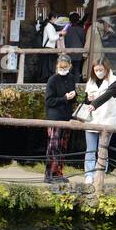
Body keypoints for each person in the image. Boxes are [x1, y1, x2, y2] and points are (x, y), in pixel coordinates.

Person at [77, 57, 116, 187]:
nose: (98, 72)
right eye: (96, 70)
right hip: (92, 119)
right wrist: (89, 100)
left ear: (106, 68)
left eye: (101, 69)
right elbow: (86, 101)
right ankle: (89, 175)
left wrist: (94, 103)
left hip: (107, 120)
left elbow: (108, 95)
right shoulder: (91, 82)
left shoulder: (115, 81)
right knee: (90, 149)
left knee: (102, 149)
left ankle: (100, 174)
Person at [43, 53, 79, 185]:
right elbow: (49, 101)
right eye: (61, 67)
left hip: (66, 116)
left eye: (65, 67)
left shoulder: (71, 78)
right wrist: (65, 98)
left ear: (70, 66)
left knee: (63, 146)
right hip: (54, 117)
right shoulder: (52, 80)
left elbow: (73, 98)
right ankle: (49, 174)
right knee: (54, 145)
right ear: (57, 66)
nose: (63, 69)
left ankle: (58, 173)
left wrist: (74, 95)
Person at [37, 11, 60, 85]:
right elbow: (52, 38)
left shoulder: (49, 25)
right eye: (56, 18)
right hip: (48, 49)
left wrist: (58, 33)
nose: (57, 20)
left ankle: (47, 82)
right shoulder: (49, 26)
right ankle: (47, 82)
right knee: (47, 68)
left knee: (46, 67)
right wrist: (60, 35)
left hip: (48, 49)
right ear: (53, 18)